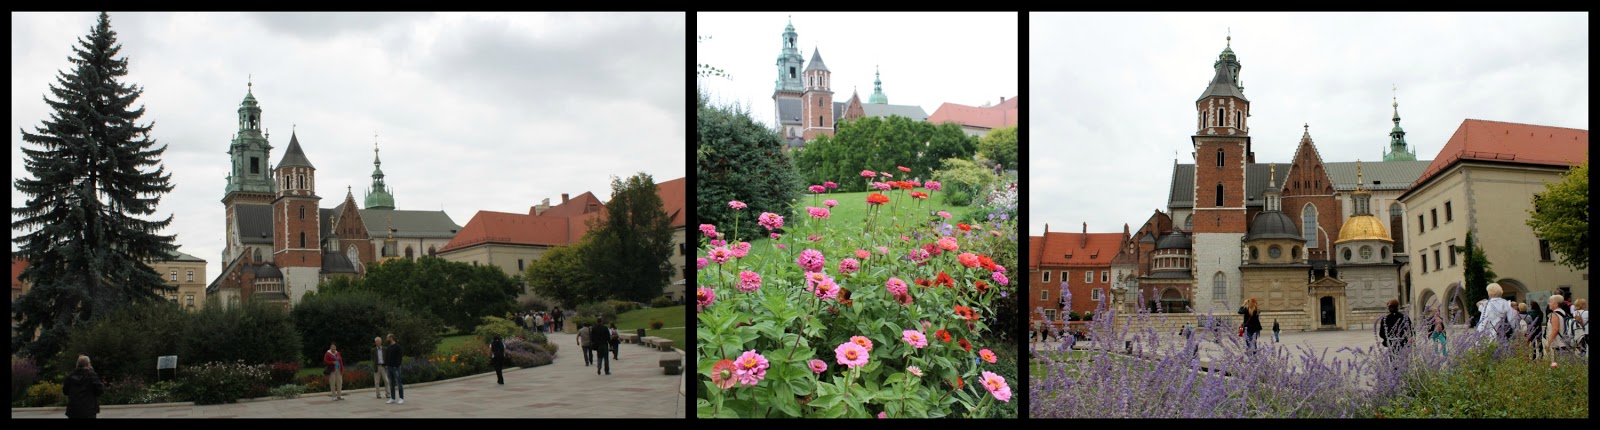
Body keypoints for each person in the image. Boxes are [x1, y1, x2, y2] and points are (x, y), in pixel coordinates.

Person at [63, 354, 103, 419]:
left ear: (77, 364)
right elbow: (100, 390)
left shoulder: (70, 376)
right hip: (89, 410)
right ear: (88, 364)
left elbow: (65, 391)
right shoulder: (92, 376)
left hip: (73, 410)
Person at [1545, 295, 1573, 360]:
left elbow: (1555, 329)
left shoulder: (1554, 314)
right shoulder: (1563, 313)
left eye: (1550, 302)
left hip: (1558, 344)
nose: (1549, 303)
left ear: (1556, 304)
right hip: (1565, 342)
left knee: (1558, 365)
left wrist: (1548, 342)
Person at [384, 334, 405, 404]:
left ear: (391, 338)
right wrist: (386, 365)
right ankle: (392, 398)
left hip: (396, 368)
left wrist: (397, 365)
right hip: (389, 367)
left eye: (387, 337)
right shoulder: (389, 347)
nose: (386, 339)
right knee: (391, 383)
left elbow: (400, 356)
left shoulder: (397, 347)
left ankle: (401, 398)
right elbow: (387, 356)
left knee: (398, 382)